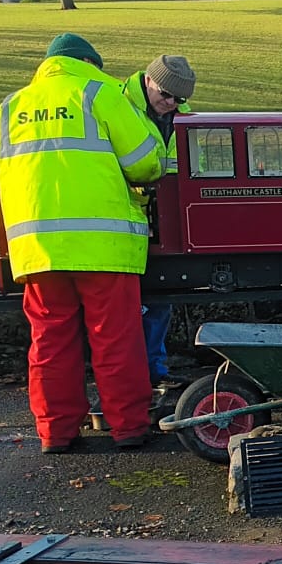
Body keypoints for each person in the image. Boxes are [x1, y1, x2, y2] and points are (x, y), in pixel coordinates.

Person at [0, 34, 163, 453]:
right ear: (87, 62)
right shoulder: (100, 94)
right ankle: (129, 428)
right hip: (104, 246)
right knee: (114, 338)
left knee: (50, 342)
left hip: (37, 249)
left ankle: (55, 432)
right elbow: (145, 163)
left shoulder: (8, 107)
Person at [122, 55, 196, 385]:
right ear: (150, 81)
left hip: (163, 218)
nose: (171, 104)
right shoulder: (121, 107)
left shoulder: (181, 115)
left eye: (179, 100)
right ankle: (140, 373)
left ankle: (155, 370)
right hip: (126, 213)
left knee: (158, 300)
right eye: (166, 96)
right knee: (133, 304)